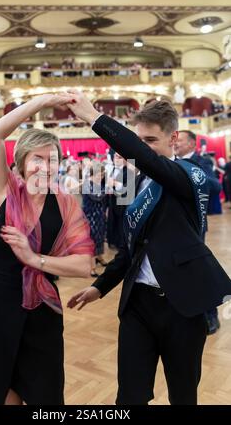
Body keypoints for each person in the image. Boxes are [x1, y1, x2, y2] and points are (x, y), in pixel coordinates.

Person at [65, 92, 231, 405]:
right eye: (138, 140)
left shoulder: (186, 176)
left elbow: (150, 161)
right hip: (138, 305)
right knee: (129, 395)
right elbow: (132, 249)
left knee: (183, 395)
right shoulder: (133, 182)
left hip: (183, 304)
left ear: (175, 138)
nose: (142, 149)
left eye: (150, 140)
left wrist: (93, 118)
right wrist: (100, 287)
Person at [0, 93, 94, 405]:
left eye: (53, 159)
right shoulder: (3, 191)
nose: (46, 166)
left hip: (41, 312)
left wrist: (32, 258)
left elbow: (83, 266)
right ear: (22, 161)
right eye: (37, 158)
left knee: (45, 396)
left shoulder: (66, 206)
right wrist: (43, 101)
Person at [174, 130, 222, 334]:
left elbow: (215, 186)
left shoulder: (200, 161)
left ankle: (211, 315)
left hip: (194, 225)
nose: (176, 143)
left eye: (181, 140)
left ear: (192, 144)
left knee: (199, 269)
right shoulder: (170, 161)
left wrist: (190, 173)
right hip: (174, 224)